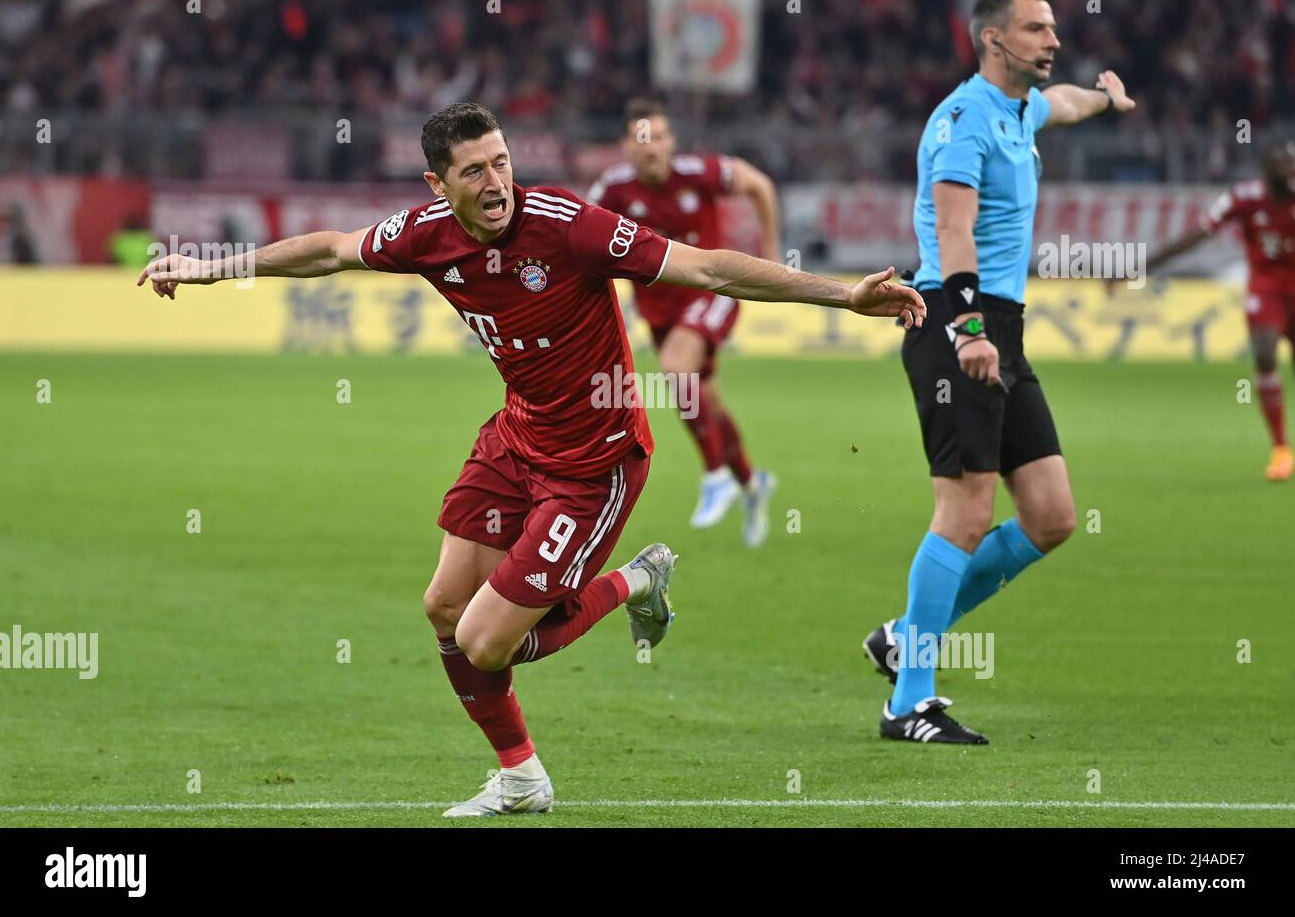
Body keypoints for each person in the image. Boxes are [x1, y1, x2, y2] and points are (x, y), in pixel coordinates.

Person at [139, 102, 926, 814]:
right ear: (438, 184)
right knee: (444, 608)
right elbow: (329, 252)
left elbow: (711, 267)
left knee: (487, 642)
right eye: (475, 171)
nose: (496, 183)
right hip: (516, 441)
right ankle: (521, 777)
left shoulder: (570, 226)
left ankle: (637, 579)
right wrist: (209, 269)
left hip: (594, 466)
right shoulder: (425, 235)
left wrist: (843, 295)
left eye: (502, 162)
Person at [861, 0, 1136, 744]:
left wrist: (1106, 100)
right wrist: (970, 329)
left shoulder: (1022, 109)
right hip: (955, 319)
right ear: (993, 40)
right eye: (1036, 29)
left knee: (1050, 516)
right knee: (965, 514)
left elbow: (1064, 104)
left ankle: (904, 637)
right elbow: (954, 232)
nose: (1053, 41)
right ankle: (908, 702)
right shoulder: (963, 121)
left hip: (1001, 329)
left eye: (1053, 28)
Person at [589, 98, 780, 546]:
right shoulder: (614, 188)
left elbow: (759, 184)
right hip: (662, 313)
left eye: (659, 136)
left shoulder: (698, 172)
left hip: (712, 293)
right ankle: (752, 483)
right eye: (642, 139)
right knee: (705, 402)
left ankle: (716, 476)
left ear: (672, 141)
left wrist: (771, 250)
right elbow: (579, 231)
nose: (651, 146)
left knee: (676, 370)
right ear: (626, 147)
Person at [1133, 141, 1295, 481]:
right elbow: (1198, 234)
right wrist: (1142, 267)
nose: (1290, 170)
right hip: (1267, 290)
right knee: (1265, 353)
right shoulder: (1245, 197)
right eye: (1284, 165)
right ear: (1268, 171)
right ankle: (1281, 448)